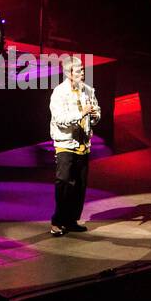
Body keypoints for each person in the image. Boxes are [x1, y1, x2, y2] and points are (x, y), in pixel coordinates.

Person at [48, 55, 101, 236]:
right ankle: (57, 220)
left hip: (83, 144)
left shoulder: (88, 90)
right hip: (66, 143)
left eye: (82, 70)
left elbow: (97, 114)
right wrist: (81, 113)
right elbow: (60, 120)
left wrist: (94, 115)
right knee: (63, 182)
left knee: (79, 184)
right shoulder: (59, 93)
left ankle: (71, 220)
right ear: (69, 73)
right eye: (78, 70)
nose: (82, 73)